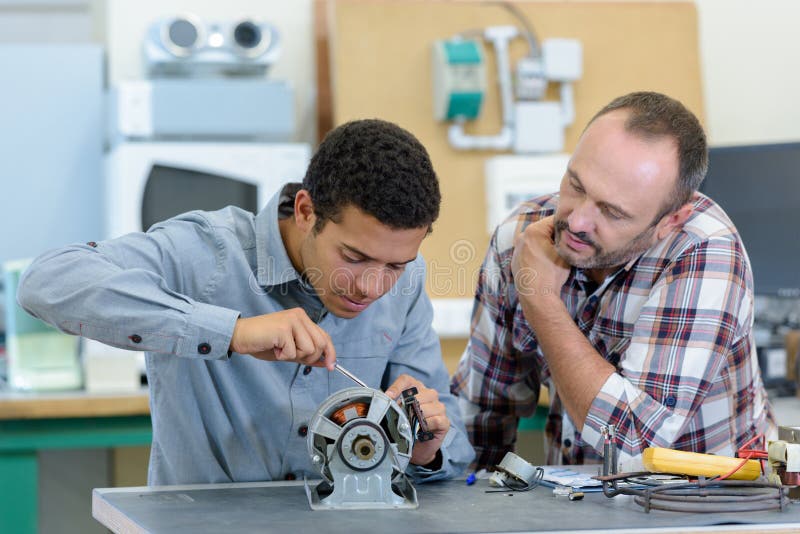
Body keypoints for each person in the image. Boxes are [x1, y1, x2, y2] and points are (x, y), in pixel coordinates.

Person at [18, 119, 474, 485]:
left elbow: (449, 438)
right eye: (354, 258)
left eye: (395, 266)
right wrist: (231, 332)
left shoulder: (407, 283)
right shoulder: (205, 254)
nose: (372, 288)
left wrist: (425, 451)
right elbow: (47, 281)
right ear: (305, 210)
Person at [451, 92, 776, 470]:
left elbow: (634, 446)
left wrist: (540, 299)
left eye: (611, 212)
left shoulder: (705, 251)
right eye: (576, 185)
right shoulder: (521, 238)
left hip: (714, 508)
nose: (575, 222)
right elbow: (482, 415)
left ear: (669, 221)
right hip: (576, 506)